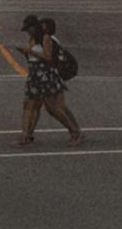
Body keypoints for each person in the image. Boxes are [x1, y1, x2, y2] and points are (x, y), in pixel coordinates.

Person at [17, 14, 82, 147]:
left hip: (45, 74)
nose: (27, 32)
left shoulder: (45, 38)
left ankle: (74, 131)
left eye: (29, 29)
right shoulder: (32, 39)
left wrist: (31, 51)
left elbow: (48, 57)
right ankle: (26, 135)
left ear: (34, 27)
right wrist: (26, 54)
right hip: (35, 74)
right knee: (29, 104)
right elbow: (32, 59)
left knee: (53, 107)